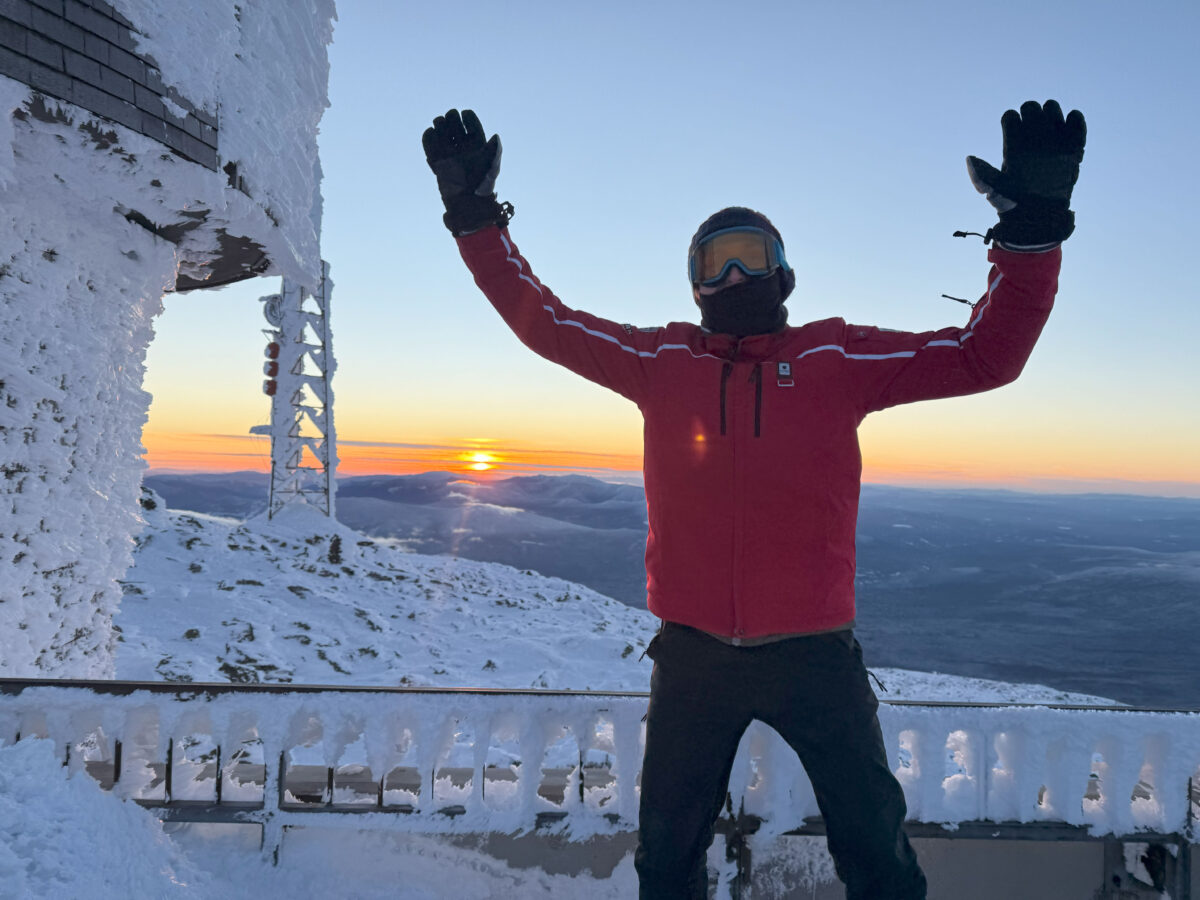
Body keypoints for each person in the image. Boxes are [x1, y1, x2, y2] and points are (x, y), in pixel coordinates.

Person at [423, 101, 1085, 899]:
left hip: (816, 655)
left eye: (750, 257)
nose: (734, 277)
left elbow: (986, 355)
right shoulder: (661, 360)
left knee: (875, 851)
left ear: (786, 274)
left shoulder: (837, 358)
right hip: (694, 654)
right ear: (695, 285)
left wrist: (1033, 233)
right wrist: (474, 218)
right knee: (666, 859)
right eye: (716, 263)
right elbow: (544, 320)